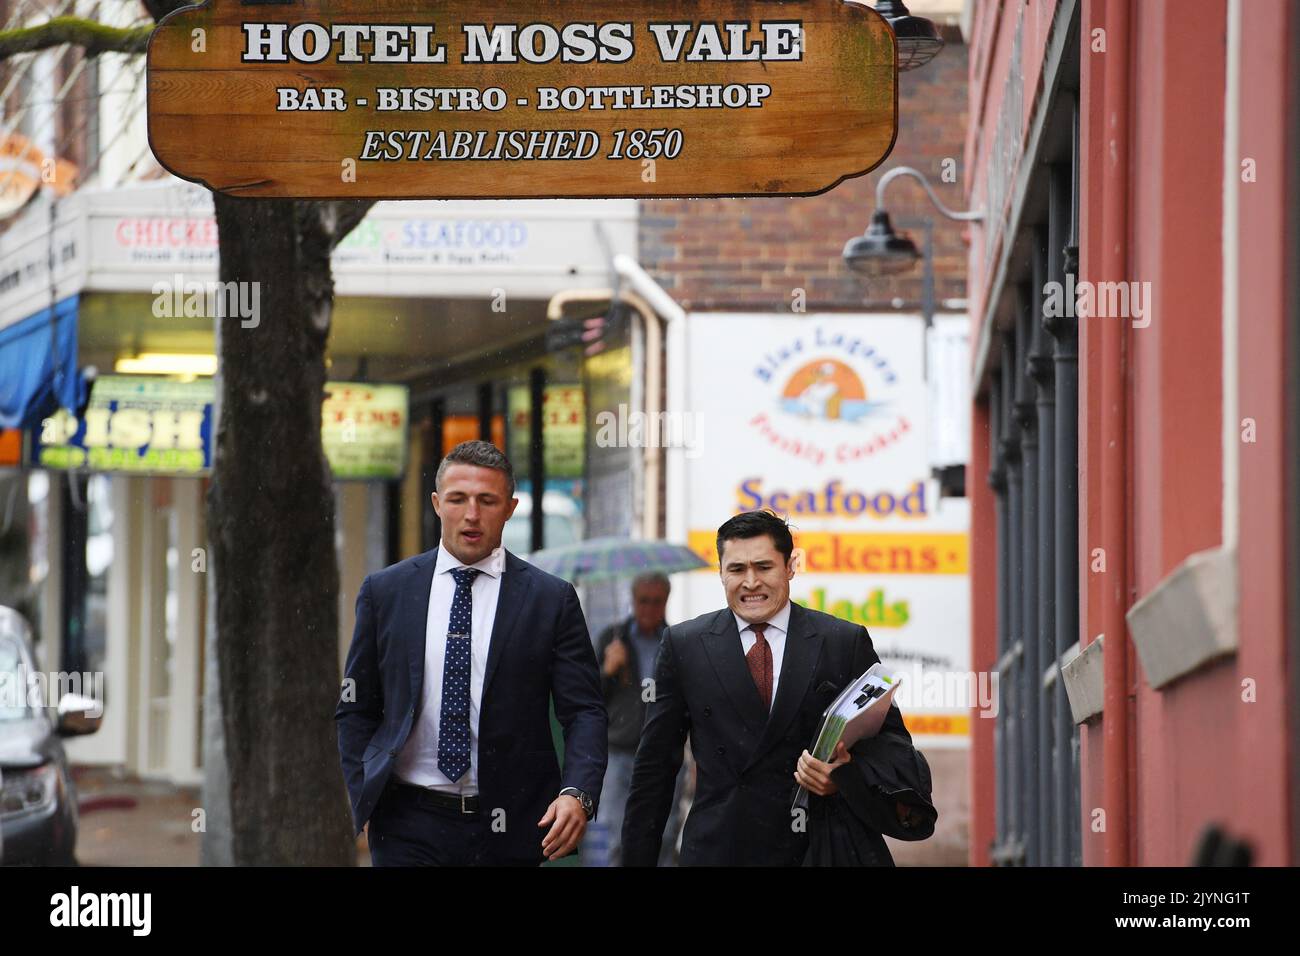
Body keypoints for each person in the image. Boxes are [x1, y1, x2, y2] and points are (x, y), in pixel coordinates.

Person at [335, 440, 607, 866]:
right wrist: (361, 791)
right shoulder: (386, 592)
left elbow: (585, 710)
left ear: (510, 508)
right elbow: (356, 708)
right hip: (407, 823)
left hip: (509, 823)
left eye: (487, 500)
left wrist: (577, 793)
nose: (472, 514)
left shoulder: (550, 600)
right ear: (436, 504)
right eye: (458, 499)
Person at [621, 509, 926, 866]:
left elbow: (892, 744)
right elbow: (654, 769)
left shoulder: (842, 642)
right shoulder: (684, 645)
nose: (751, 582)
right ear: (721, 573)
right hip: (720, 850)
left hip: (815, 847)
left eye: (764, 567)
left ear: (790, 567)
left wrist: (844, 777)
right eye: (737, 569)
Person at [591, 572, 686, 865]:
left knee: (665, 835)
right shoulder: (612, 639)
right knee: (618, 836)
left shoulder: (676, 641)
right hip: (620, 752)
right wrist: (608, 670)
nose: (649, 608)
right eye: (644, 601)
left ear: (666, 601)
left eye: (657, 601)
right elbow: (589, 698)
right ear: (633, 601)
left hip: (664, 753)